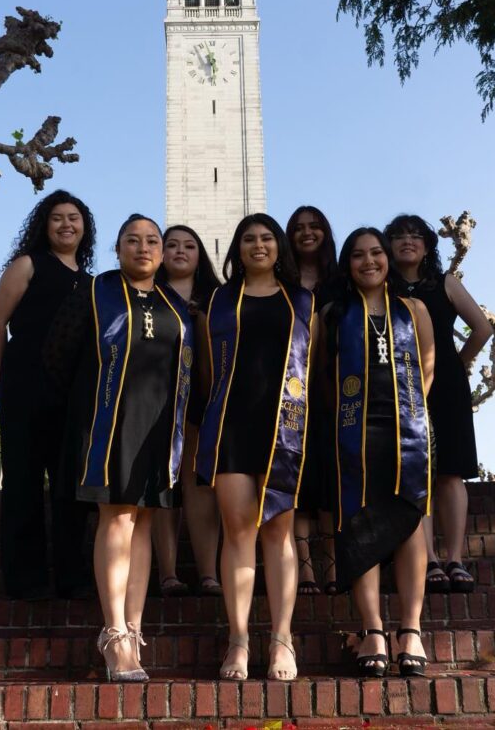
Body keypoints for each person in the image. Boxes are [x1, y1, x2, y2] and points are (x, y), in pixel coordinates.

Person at [46, 214, 195, 682]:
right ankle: (112, 634)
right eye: (133, 240)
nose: (144, 247)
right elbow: (56, 357)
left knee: (145, 519)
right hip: (108, 422)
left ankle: (134, 630)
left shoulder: (175, 304)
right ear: (118, 248)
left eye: (153, 241)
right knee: (119, 515)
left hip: (159, 424)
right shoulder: (93, 293)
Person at [196, 213, 315, 681]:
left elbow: (312, 366)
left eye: (267, 238)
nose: (258, 245)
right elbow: (208, 371)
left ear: (279, 247)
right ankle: (239, 640)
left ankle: (281, 639)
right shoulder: (219, 301)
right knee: (239, 531)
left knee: (278, 533)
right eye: (249, 239)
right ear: (237, 249)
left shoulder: (301, 300)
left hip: (283, 428)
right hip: (230, 426)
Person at [323, 227, 436, 677]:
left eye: (376, 253)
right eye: (357, 255)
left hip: (407, 428)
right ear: (346, 263)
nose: (368, 262)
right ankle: (372, 628)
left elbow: (428, 369)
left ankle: (410, 629)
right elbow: (322, 375)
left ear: (387, 258)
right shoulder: (332, 313)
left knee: (409, 521)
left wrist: (408, 415)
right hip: (353, 430)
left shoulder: (414, 309)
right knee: (360, 523)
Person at [0, 189, 95, 601]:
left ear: (85, 227)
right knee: (23, 483)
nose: (66, 224)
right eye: (57, 218)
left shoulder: (91, 283)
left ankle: (72, 577)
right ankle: (25, 579)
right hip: (25, 387)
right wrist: (3, 376)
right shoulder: (27, 265)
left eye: (74, 217)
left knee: (70, 486)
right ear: (44, 225)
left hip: (71, 394)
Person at [385, 214, 492, 595]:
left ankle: (455, 558)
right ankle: (427, 557)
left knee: (451, 471)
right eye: (398, 237)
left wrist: (459, 362)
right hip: (398, 383)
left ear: (428, 245)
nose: (407, 242)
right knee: (416, 470)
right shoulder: (382, 283)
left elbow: (482, 328)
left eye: (415, 236)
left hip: (446, 384)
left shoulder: (445, 282)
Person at [150, 225, 223, 598]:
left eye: (189, 245)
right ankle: (168, 573)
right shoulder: (146, 293)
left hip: (202, 397)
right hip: (156, 399)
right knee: (164, 481)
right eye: (172, 244)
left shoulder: (219, 298)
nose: (180, 251)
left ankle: (209, 572)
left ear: (201, 255)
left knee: (199, 484)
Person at [285, 205, 339, 596]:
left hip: (337, 389)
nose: (307, 233)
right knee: (298, 481)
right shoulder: (282, 280)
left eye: (314, 227)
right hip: (291, 390)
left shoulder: (341, 280)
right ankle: (304, 568)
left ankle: (334, 566)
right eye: (299, 228)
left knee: (331, 479)